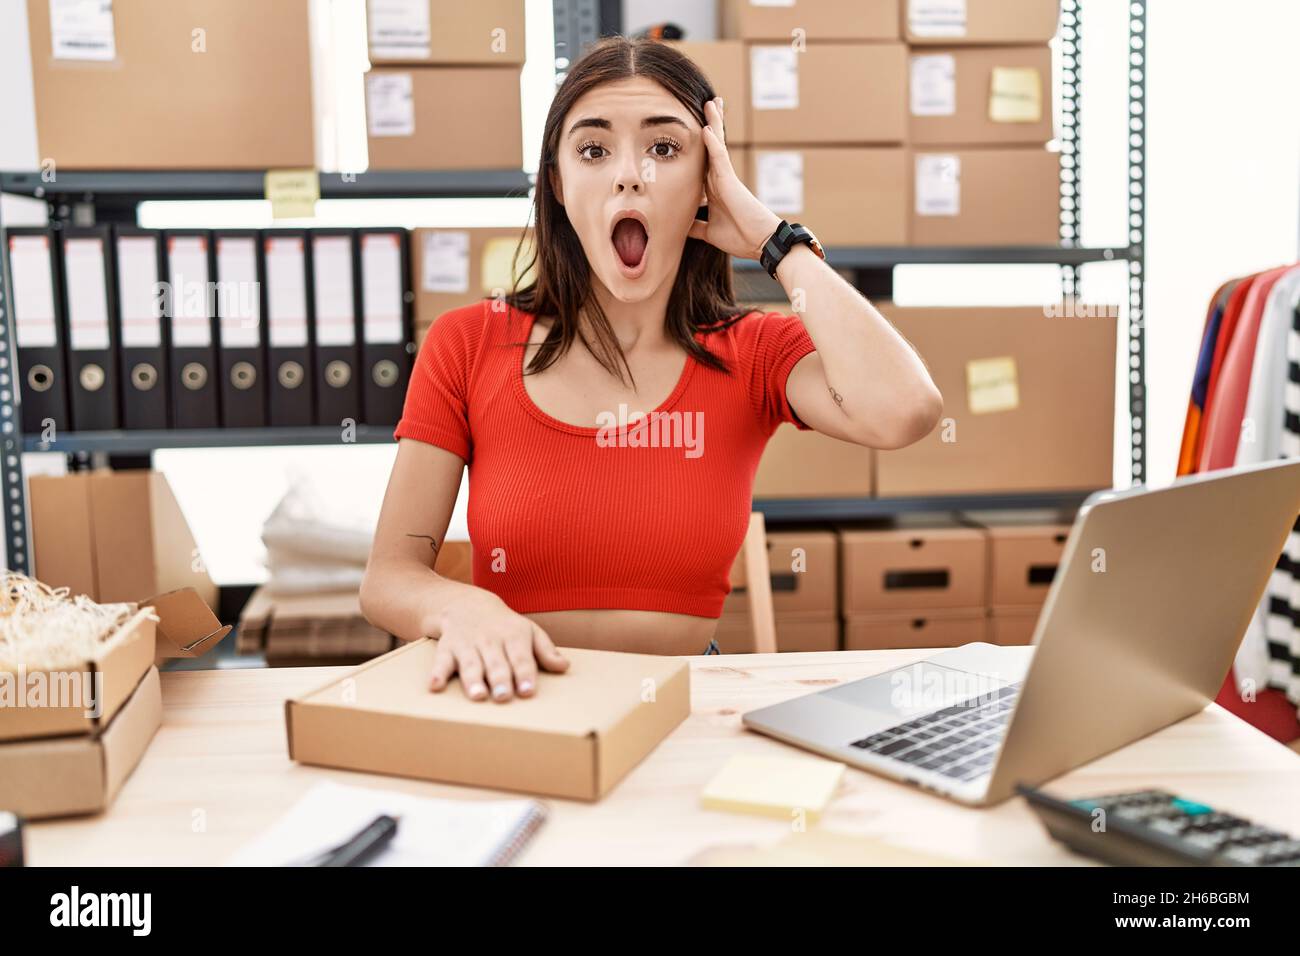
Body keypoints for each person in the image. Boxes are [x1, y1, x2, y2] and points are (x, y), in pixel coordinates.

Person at [359, 37, 942, 702]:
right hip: (519, 701)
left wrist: (771, 239)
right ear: (557, 182)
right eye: (593, 149)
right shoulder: (465, 343)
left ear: (706, 181)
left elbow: (905, 410)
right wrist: (463, 608)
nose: (629, 174)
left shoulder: (753, 350)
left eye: (664, 148)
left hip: (686, 707)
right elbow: (389, 578)